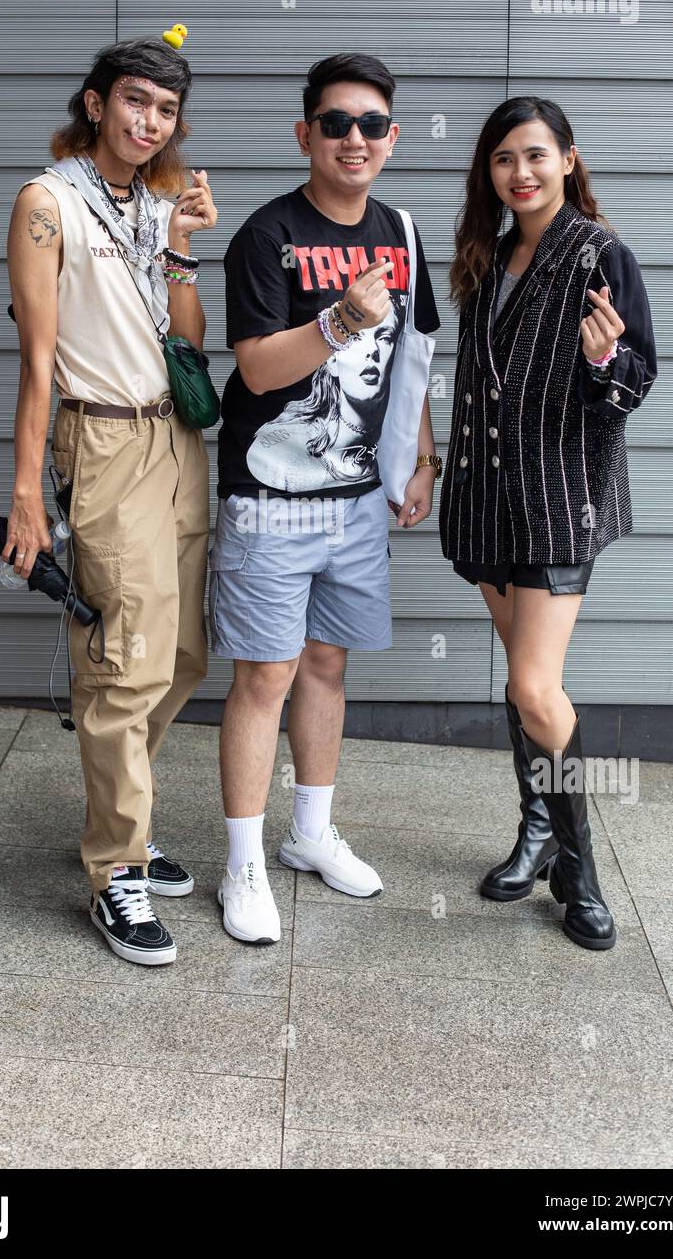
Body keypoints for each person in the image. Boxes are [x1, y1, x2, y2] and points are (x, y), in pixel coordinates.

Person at [211, 53, 441, 944]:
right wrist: (341, 319)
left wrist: (418, 460)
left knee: (327, 667)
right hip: (270, 495)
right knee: (264, 674)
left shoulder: (402, 232)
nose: (356, 138)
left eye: (373, 124)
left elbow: (413, 362)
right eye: (336, 122)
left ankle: (308, 835)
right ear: (305, 133)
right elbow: (260, 368)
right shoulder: (268, 235)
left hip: (352, 501)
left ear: (390, 138)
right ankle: (244, 866)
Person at [4, 36, 217, 965]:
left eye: (164, 111)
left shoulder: (158, 204)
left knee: (180, 652)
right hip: (99, 438)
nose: (148, 122)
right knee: (124, 657)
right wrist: (25, 494)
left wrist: (179, 252)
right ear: (96, 103)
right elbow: (37, 359)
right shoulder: (47, 202)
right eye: (133, 102)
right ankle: (116, 868)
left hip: (175, 437)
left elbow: (191, 337)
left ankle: (118, 814)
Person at [439, 95, 656, 952]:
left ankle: (577, 866)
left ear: (568, 158)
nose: (519, 173)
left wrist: (605, 359)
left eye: (535, 156)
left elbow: (632, 384)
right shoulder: (487, 255)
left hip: (561, 501)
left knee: (536, 686)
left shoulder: (600, 255)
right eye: (503, 160)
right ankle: (534, 829)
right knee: (526, 680)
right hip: (487, 502)